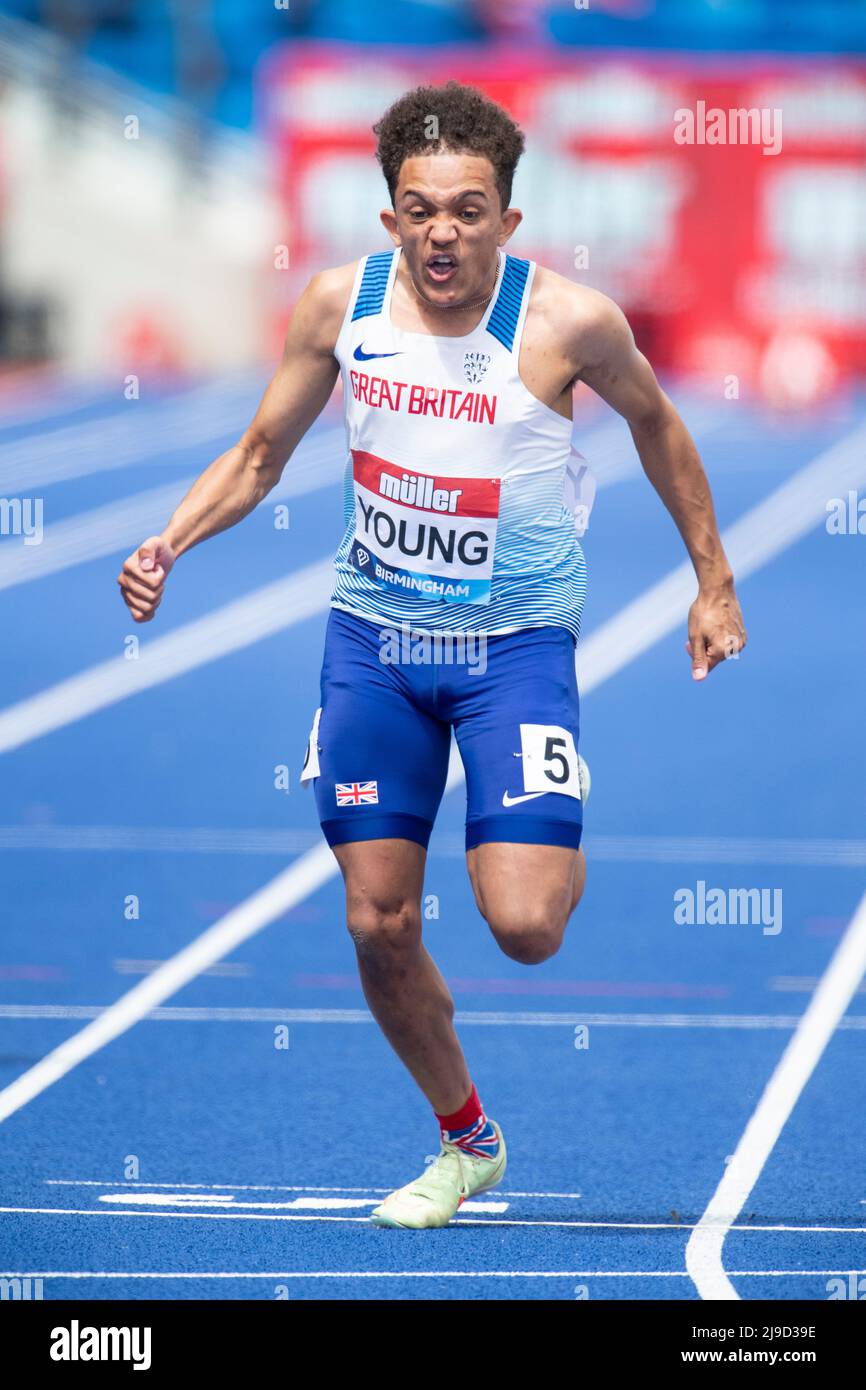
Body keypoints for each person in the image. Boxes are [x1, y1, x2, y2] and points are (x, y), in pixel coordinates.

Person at [118, 81, 747, 1229]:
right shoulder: (334, 308)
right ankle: (465, 1137)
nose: (441, 231)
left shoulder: (567, 325)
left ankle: (542, 819)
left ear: (508, 224)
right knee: (377, 920)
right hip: (373, 645)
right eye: (418, 209)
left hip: (513, 652)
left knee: (525, 926)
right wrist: (170, 541)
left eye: (467, 210)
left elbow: (658, 424)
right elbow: (260, 451)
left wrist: (710, 580)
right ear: (388, 218)